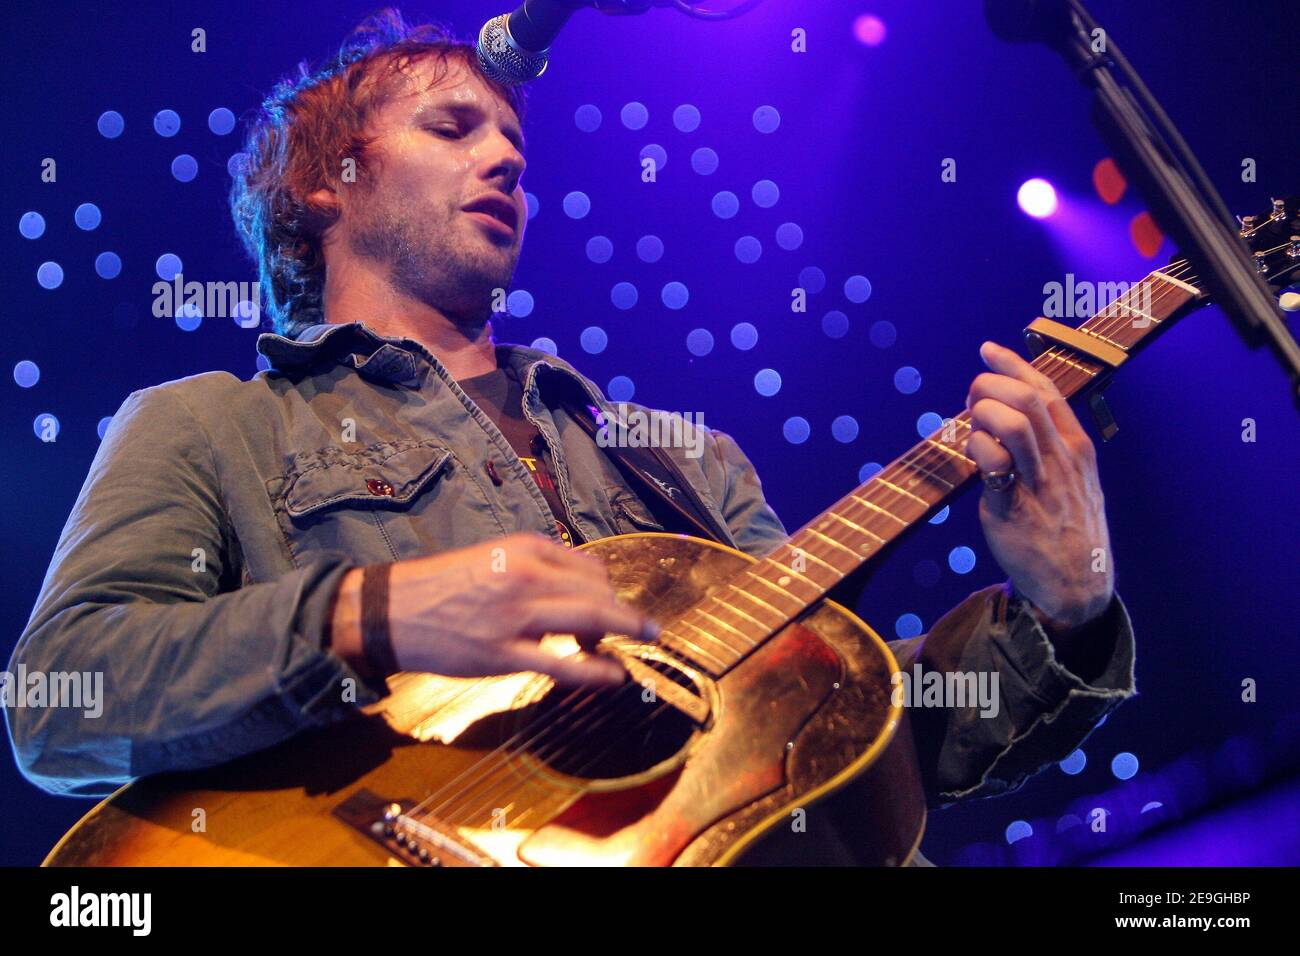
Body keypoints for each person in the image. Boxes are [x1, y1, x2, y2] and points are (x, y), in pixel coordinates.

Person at [6, 10, 1135, 865]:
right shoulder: (210, 423)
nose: (505, 159)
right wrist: (371, 614)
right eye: (452, 127)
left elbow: (858, 750)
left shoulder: (682, 459)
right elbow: (58, 701)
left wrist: (1064, 613)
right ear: (320, 184)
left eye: (514, 146)